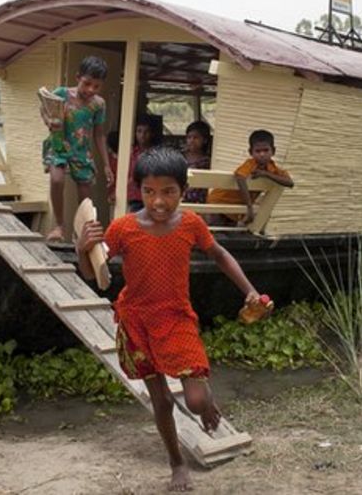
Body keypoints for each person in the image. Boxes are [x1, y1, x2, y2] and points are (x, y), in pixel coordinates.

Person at [75, 147, 264, 492]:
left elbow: (220, 255)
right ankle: (176, 463)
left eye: (168, 192)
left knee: (193, 400)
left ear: (182, 190)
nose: (158, 201)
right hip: (137, 322)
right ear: (139, 191)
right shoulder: (124, 228)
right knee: (161, 401)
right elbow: (94, 274)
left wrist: (249, 291)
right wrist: (81, 249)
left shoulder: (190, 224)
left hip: (176, 319)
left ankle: (206, 401)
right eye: (149, 191)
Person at [40, 56, 113, 241]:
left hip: (81, 150)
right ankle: (59, 226)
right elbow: (44, 107)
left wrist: (106, 164)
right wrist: (49, 121)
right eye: (87, 83)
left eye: (96, 86)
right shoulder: (62, 94)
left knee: (85, 195)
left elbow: (99, 134)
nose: (91, 90)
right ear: (77, 77)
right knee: (57, 180)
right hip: (59, 144)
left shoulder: (98, 104)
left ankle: (80, 232)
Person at [206, 129, 294, 226]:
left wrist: (266, 174)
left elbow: (290, 183)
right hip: (219, 201)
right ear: (250, 152)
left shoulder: (272, 168)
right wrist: (249, 207)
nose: (262, 154)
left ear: (273, 151)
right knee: (216, 230)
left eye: (266, 150)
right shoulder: (250, 164)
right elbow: (240, 177)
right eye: (258, 151)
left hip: (235, 209)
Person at [124, 114, 163, 212]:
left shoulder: (157, 153)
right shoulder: (131, 152)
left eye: (146, 132)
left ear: (152, 134)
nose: (142, 135)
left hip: (152, 195)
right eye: (139, 131)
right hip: (134, 196)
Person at [182, 120, 212, 204]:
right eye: (189, 137)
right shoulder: (180, 157)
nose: (191, 140)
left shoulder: (207, 161)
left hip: (200, 200)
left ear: (205, 140)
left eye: (196, 138)